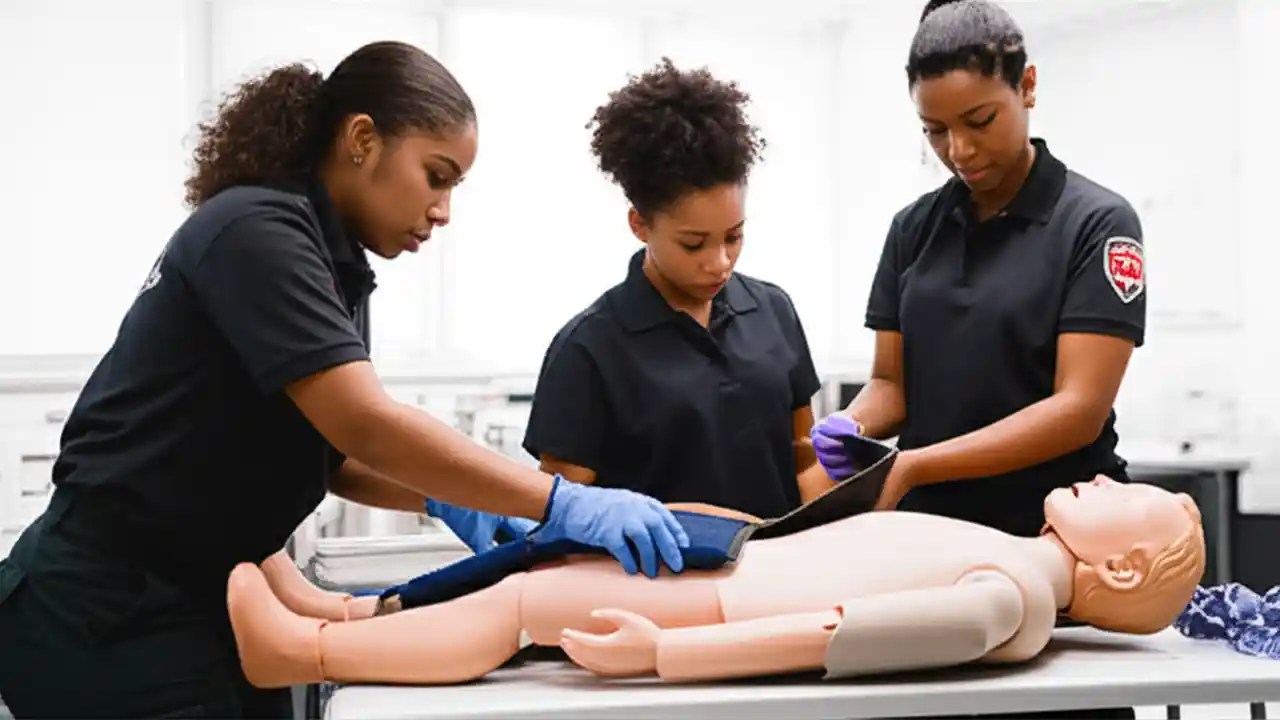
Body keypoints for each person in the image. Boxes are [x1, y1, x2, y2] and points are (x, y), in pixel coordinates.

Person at [0, 41, 690, 719]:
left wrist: (455, 501)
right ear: (362, 138)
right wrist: (558, 502)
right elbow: (363, 422)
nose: (444, 210)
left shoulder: (334, 262)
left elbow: (336, 454)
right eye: (437, 175)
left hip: (196, 598)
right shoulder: (255, 231)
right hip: (103, 608)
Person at [223, 476, 1205, 688]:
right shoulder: (1018, 560)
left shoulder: (1011, 601)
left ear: (1116, 564)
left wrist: (669, 653)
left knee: (526, 603)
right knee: (546, 554)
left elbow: (834, 632)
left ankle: (301, 652)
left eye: (1128, 495)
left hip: (722, 600)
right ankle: (338, 610)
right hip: (738, 556)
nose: (1107, 476)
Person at [430, 59, 828, 543]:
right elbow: (555, 518)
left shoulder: (775, 311)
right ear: (639, 225)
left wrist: (833, 540)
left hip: (778, 582)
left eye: (735, 236)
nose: (720, 262)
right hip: (652, 598)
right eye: (693, 243)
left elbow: (804, 459)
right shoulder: (589, 349)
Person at [813, 0, 1147, 538]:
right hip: (929, 530)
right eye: (935, 131)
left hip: (1056, 533)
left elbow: (1079, 409)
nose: (960, 150)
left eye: (980, 121)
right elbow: (891, 384)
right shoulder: (913, 229)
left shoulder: (1096, 223)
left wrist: (916, 463)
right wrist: (852, 425)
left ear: (1028, 86)